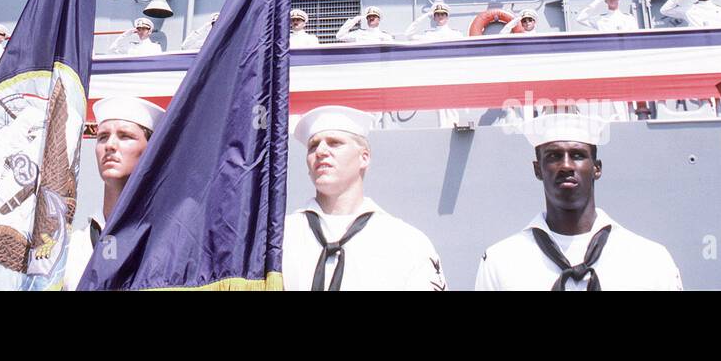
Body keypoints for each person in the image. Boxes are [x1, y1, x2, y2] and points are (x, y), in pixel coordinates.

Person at [474, 112, 682, 290]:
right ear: (538, 169)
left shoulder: (650, 260)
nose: (566, 165)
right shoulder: (501, 261)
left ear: (596, 168)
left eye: (577, 155)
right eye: (554, 156)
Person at [283, 106, 446, 291]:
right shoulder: (282, 239)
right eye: (313, 146)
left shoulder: (405, 242)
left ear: (364, 157)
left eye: (334, 142)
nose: (320, 151)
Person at [64, 96, 166, 290]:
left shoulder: (166, 244)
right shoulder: (72, 249)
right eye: (102, 137)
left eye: (125, 136)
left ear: (152, 150)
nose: (110, 145)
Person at [575, 0, 639, 32]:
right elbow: (580, 19)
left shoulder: (629, 18)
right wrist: (596, 2)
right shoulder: (599, 19)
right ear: (605, 0)